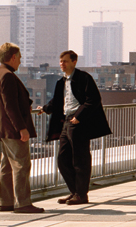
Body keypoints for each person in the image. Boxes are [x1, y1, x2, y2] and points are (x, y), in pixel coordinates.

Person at [45, 49, 111, 205]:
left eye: (65, 61)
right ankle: (74, 191)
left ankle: (81, 194)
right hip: (66, 122)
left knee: (80, 160)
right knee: (62, 158)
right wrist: (44, 108)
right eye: (61, 61)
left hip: (78, 122)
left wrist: (78, 117)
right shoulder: (61, 81)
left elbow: (93, 99)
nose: (62, 64)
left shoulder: (83, 78)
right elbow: (57, 102)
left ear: (74, 62)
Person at [0, 42, 44, 213]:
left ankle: (6, 202)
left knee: (6, 166)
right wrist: (22, 128)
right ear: (13, 57)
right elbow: (10, 106)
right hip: (12, 129)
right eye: (19, 58)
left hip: (2, 128)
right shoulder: (7, 76)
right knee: (22, 164)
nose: (20, 62)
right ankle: (23, 203)